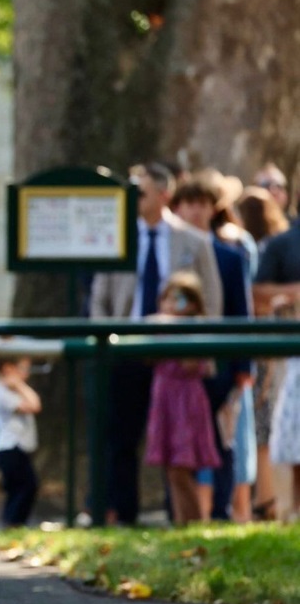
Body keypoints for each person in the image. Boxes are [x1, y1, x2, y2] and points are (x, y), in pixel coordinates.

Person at [87, 162, 221, 525]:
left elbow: (211, 298)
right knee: (122, 437)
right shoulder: (116, 238)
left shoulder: (192, 240)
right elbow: (99, 298)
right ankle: (124, 516)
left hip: (177, 357)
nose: (134, 200)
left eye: (141, 192)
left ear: (163, 195)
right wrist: (109, 342)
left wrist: (200, 351)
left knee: (177, 442)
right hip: (127, 350)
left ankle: (178, 516)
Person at [171, 173, 252, 522]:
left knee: (221, 438)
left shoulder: (230, 257)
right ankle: (180, 510)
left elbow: (240, 313)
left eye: (202, 204)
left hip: (217, 362)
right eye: (189, 204)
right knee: (175, 437)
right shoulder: (171, 252)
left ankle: (220, 509)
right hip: (176, 364)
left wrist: (243, 367)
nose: (195, 211)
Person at [143, 272, 220, 524]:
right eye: (168, 298)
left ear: (194, 304)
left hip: (186, 401)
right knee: (171, 468)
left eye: (180, 299)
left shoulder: (196, 330)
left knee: (181, 465)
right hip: (163, 398)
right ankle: (182, 521)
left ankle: (194, 520)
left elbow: (194, 366)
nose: (172, 304)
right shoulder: (156, 327)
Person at [237, 187, 290, 520]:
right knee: (262, 425)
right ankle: (265, 500)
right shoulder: (273, 247)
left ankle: (267, 501)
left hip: (267, 346)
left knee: (265, 425)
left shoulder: (266, 249)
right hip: (267, 345)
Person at [252, 205, 300, 523]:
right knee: (293, 435)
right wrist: (292, 292)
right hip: (291, 355)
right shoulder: (283, 243)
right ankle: (291, 509)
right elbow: (258, 290)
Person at [0, 353, 41, 528]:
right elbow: (34, 405)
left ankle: (12, 523)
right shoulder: (2, 391)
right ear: (8, 369)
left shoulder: (9, 390)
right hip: (10, 447)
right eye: (23, 368)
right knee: (26, 486)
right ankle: (14, 523)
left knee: (19, 487)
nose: (27, 372)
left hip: (17, 447)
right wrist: (20, 385)